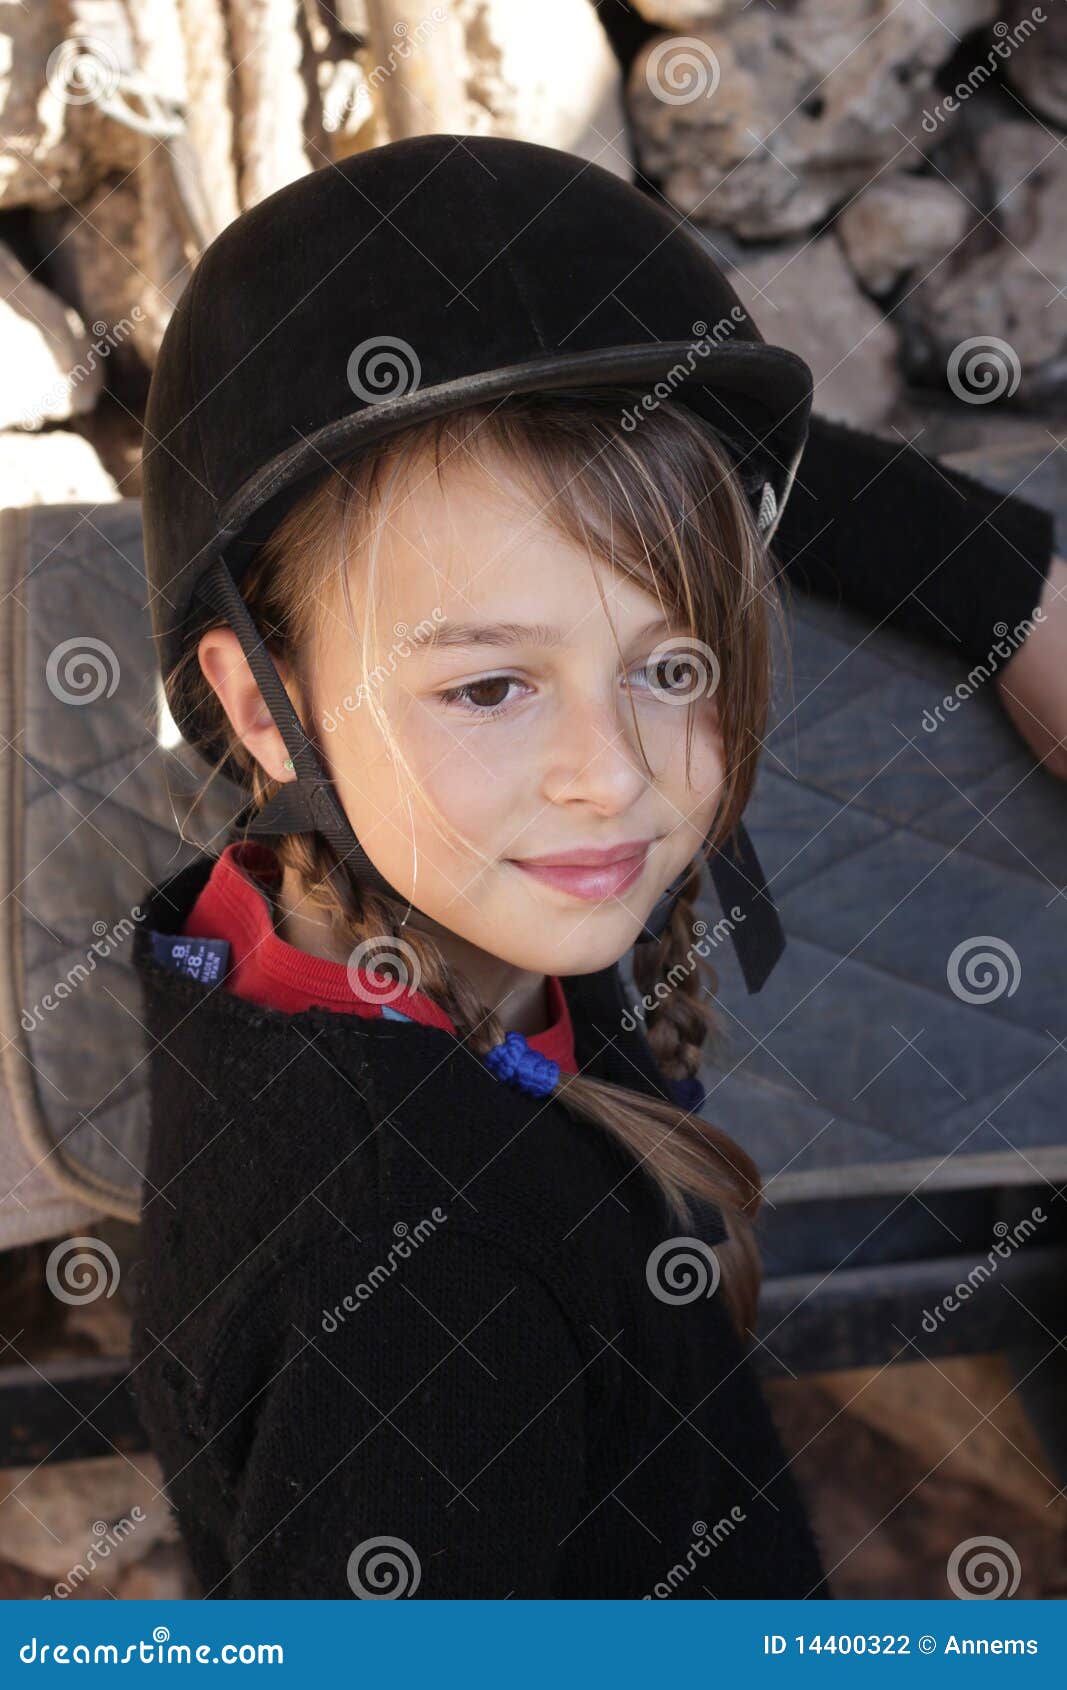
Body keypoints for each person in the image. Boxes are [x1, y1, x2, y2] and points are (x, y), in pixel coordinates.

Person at [127, 133, 1056, 1600]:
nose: (614, 770)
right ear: (262, 703)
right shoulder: (421, 1290)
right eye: (492, 686)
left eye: (670, 662)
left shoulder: (352, 922)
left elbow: (644, 503)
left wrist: (1011, 583)